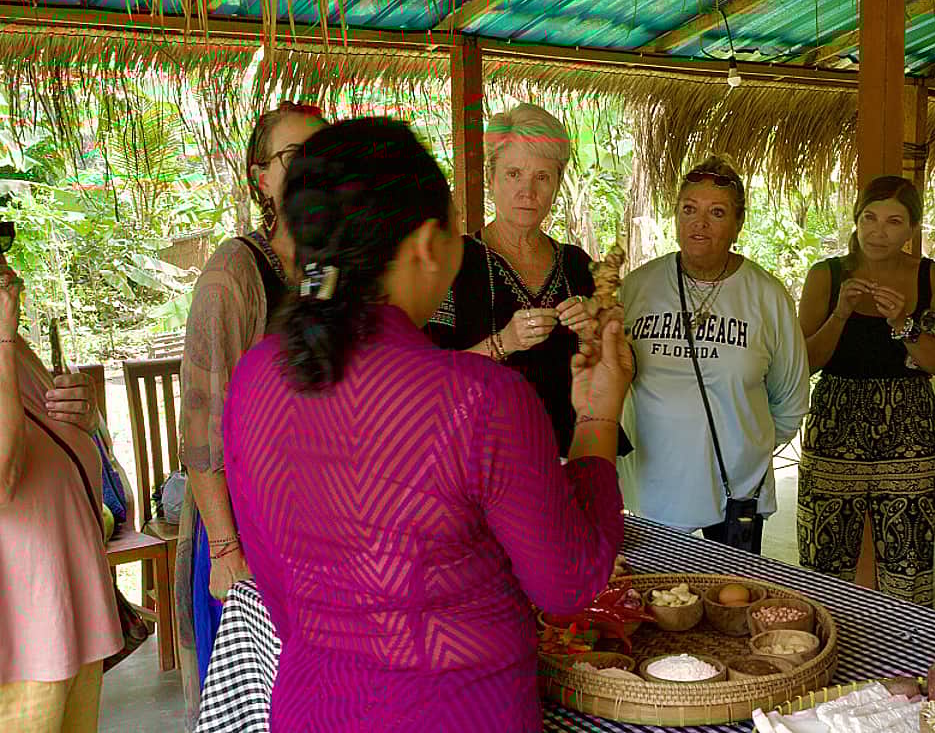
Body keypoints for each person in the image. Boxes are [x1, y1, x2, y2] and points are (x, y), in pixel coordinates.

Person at [223, 117, 630, 732]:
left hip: (313, 710)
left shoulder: (256, 376)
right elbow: (567, 584)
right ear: (424, 246)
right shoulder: (478, 399)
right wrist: (596, 417)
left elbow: (281, 579)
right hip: (457, 715)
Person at [174, 101, 326, 728]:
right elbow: (202, 427)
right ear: (260, 178)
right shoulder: (234, 272)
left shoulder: (325, 270)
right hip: (243, 535)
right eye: (295, 157)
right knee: (258, 706)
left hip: (316, 531)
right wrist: (226, 549)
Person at [618, 155, 809, 554]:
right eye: (689, 209)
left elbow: (791, 400)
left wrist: (747, 451)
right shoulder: (637, 288)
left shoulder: (767, 296)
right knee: (658, 592)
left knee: (731, 592)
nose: (699, 224)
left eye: (716, 212)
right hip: (652, 492)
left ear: (738, 223)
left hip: (736, 493)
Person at [425, 103, 630, 457]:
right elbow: (429, 377)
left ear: (557, 185)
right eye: (514, 174)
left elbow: (620, 368)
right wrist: (504, 342)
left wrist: (594, 332)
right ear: (491, 179)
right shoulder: (452, 260)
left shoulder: (577, 265)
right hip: (481, 460)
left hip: (571, 456)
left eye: (542, 177)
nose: (528, 191)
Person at [796, 175, 935, 607]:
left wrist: (902, 324)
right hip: (835, 429)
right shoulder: (826, 276)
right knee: (824, 560)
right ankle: (825, 640)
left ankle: (907, 645)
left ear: (912, 229)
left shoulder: (933, 277)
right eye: (869, 218)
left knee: (909, 562)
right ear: (856, 220)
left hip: (909, 433)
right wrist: (840, 314)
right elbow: (803, 364)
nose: (878, 231)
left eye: (893, 221)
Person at [0, 231, 122, 732]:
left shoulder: (16, 349)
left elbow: (73, 444)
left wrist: (87, 417)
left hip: (66, 610)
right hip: (23, 638)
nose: (9, 273)